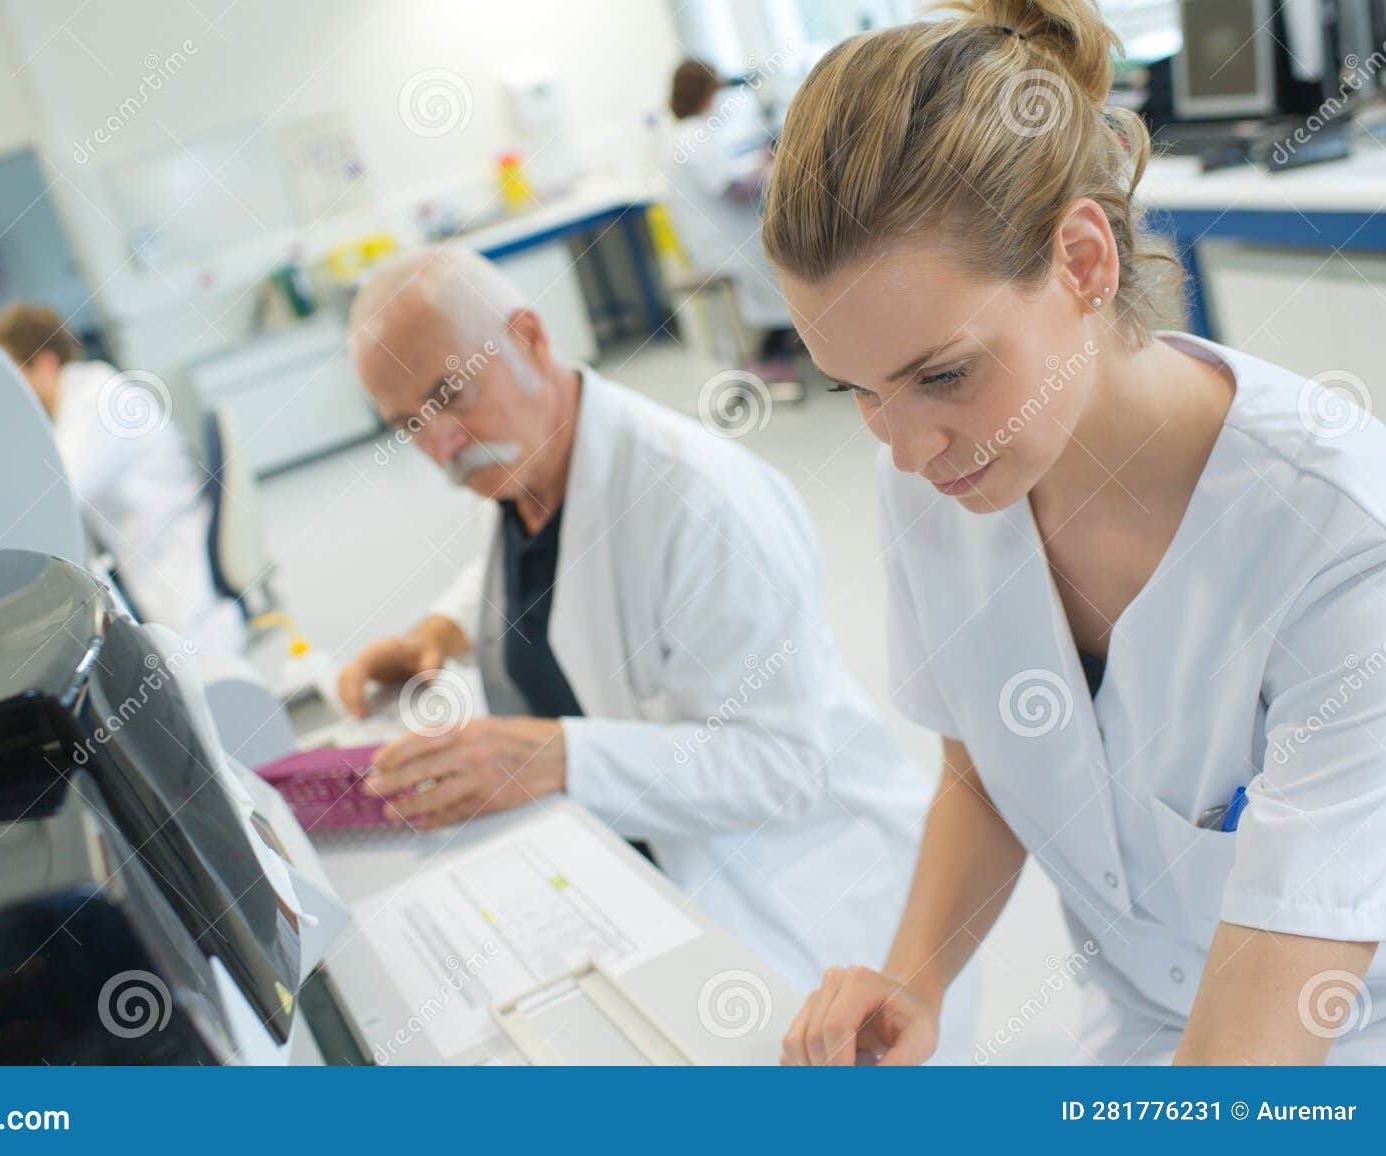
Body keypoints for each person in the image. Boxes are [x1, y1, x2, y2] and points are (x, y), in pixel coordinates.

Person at [764, 0, 1386, 1065]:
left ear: (1084, 262)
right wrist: (914, 978)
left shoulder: (1337, 538)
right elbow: (987, 764)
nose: (907, 447)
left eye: (943, 374)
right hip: (1141, 1027)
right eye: (858, 390)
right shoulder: (935, 477)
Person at [339, 247, 977, 1056]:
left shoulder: (701, 505)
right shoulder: (525, 465)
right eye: (409, 425)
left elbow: (778, 767)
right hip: (635, 883)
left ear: (530, 338)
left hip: (802, 909)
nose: (440, 448)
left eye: (448, 396)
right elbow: (535, 575)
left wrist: (560, 757)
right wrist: (435, 633)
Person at [0, 303, 245, 656]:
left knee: (197, 673)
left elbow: (58, 496)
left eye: (15, 372)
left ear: (45, 363)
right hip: (158, 552)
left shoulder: (95, 404)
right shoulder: (85, 397)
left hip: (176, 565)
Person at [662, 58, 798, 380]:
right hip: (726, 245)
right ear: (706, 92)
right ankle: (768, 357)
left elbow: (726, 179)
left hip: (712, 241)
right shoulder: (693, 135)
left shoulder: (681, 135)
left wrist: (763, 163)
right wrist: (770, 167)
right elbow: (734, 189)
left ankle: (774, 352)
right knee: (790, 263)